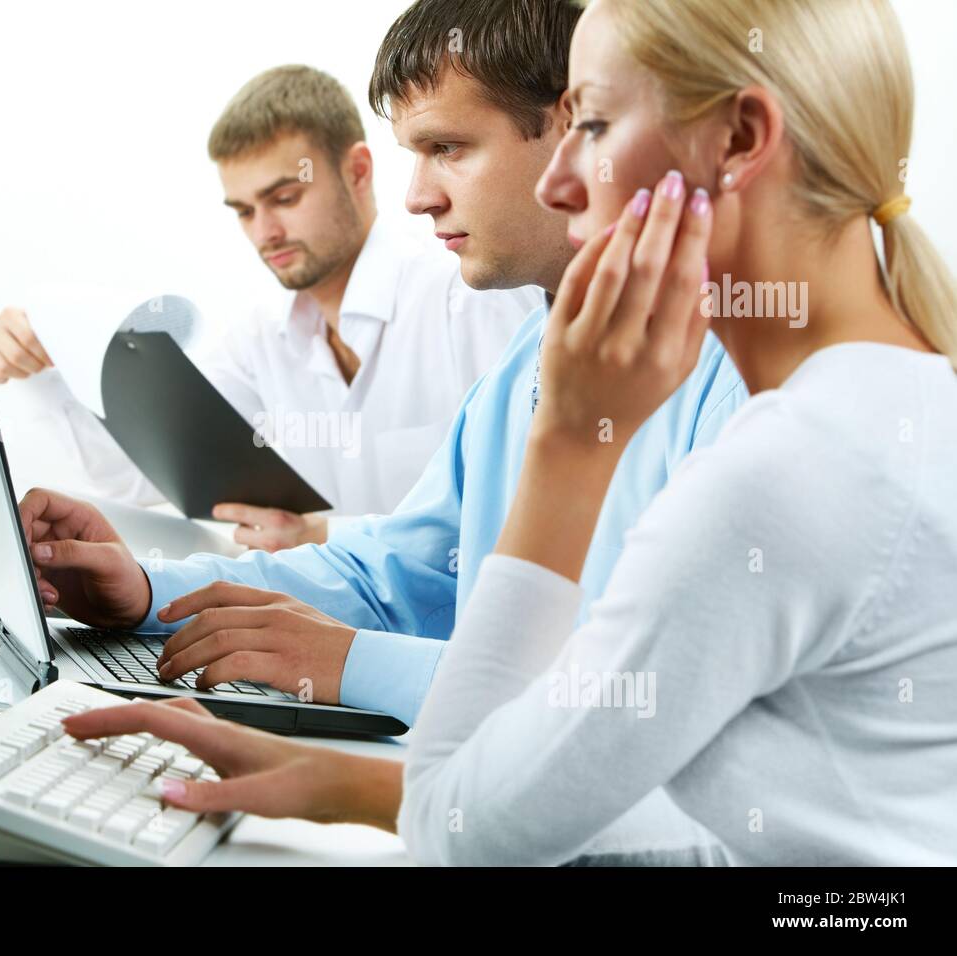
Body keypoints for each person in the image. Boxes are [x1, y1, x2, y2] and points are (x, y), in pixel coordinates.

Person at [64, 0, 957, 866]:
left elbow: (498, 816)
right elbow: (413, 575)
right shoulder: (559, 361)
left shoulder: (784, 460)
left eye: (594, 126)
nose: (566, 183)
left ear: (738, 141)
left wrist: (570, 449)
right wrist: (156, 593)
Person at [20, 0, 745, 731]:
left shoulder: (736, 374)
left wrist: (349, 664)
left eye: (449, 148)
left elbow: (649, 699)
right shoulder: (524, 364)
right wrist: (150, 592)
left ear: (572, 133)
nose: (419, 197)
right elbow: (393, 573)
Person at [0, 64, 541, 551]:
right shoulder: (258, 343)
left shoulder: (476, 298)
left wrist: (324, 537)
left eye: (285, 198)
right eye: (244, 211)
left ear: (358, 172)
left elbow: (524, 517)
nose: (266, 233)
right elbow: (140, 477)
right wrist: (41, 374)